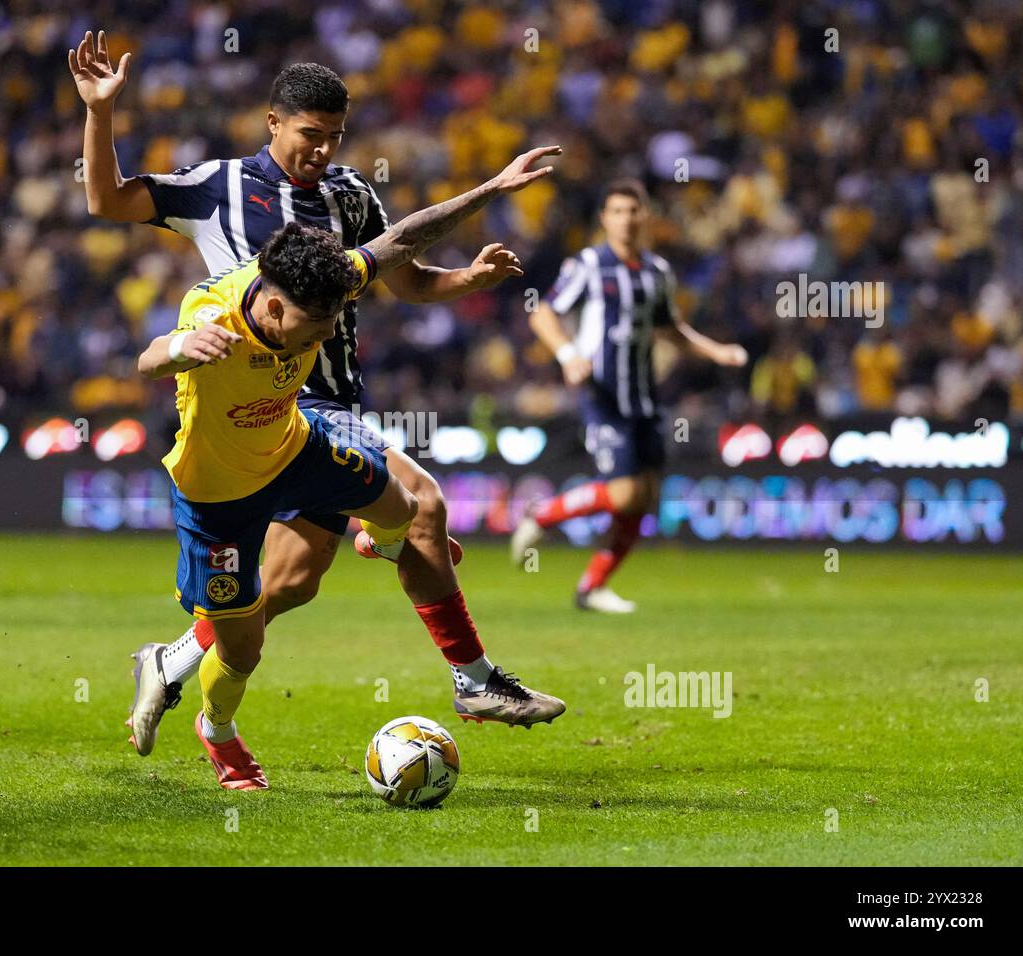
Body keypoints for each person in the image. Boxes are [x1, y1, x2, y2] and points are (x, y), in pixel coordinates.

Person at [70, 33, 565, 729]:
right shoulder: (219, 189)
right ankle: (475, 680)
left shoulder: (352, 192)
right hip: (270, 402)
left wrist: (468, 279)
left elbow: (409, 279)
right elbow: (107, 201)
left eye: (335, 136)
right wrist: (99, 113)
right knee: (421, 504)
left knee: (288, 584)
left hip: (331, 397)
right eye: (311, 134)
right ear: (273, 123)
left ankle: (170, 662)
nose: (324, 149)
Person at [132, 144, 562, 789]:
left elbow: (402, 240)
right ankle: (217, 729)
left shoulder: (317, 286)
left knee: (398, 512)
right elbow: (149, 359)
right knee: (245, 644)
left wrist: (493, 189)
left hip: (295, 447)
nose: (322, 335)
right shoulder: (214, 315)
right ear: (272, 308)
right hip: (216, 498)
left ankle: (386, 549)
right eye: (313, 326)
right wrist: (178, 348)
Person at [511, 179, 748, 612]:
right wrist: (567, 354)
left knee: (646, 496)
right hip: (602, 393)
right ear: (604, 218)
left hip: (644, 396)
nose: (626, 219)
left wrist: (717, 351)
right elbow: (543, 312)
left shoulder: (657, 271)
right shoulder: (587, 264)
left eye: (633, 211)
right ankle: (542, 515)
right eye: (617, 211)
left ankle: (592, 587)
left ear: (646, 217)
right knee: (622, 493)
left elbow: (671, 329)